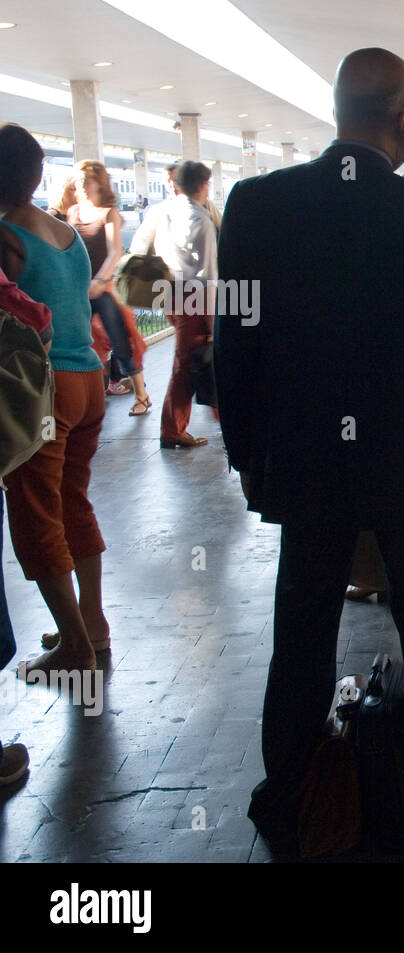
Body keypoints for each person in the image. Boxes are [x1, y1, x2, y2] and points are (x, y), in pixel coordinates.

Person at [215, 47, 404, 854]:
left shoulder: (259, 204)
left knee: (302, 624)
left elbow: (238, 339)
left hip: (305, 458)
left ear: (338, 109)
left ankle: (293, 790)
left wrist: (247, 452)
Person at [0, 123, 112, 678]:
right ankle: (92, 624)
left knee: (37, 514)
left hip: (45, 391)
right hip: (90, 380)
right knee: (74, 502)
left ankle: (74, 646)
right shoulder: (63, 230)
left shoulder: (6, 233)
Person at [0, 261, 53, 787]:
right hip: (72, 380)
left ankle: (82, 639)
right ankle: (86, 637)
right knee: (61, 514)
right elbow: (36, 317)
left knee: (49, 520)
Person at [66, 160, 152, 416]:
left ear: (99, 183)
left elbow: (116, 251)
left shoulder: (109, 212)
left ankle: (142, 396)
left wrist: (100, 281)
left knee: (120, 340)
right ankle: (94, 395)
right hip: (81, 288)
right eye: (78, 182)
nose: (81, 187)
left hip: (104, 288)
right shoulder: (73, 213)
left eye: (86, 181)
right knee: (84, 342)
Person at [143, 160, 218, 449]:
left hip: (172, 294)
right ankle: (173, 428)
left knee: (188, 361)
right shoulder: (201, 222)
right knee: (191, 363)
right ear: (203, 185)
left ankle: (201, 420)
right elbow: (208, 278)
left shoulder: (166, 213)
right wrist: (213, 323)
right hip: (195, 300)